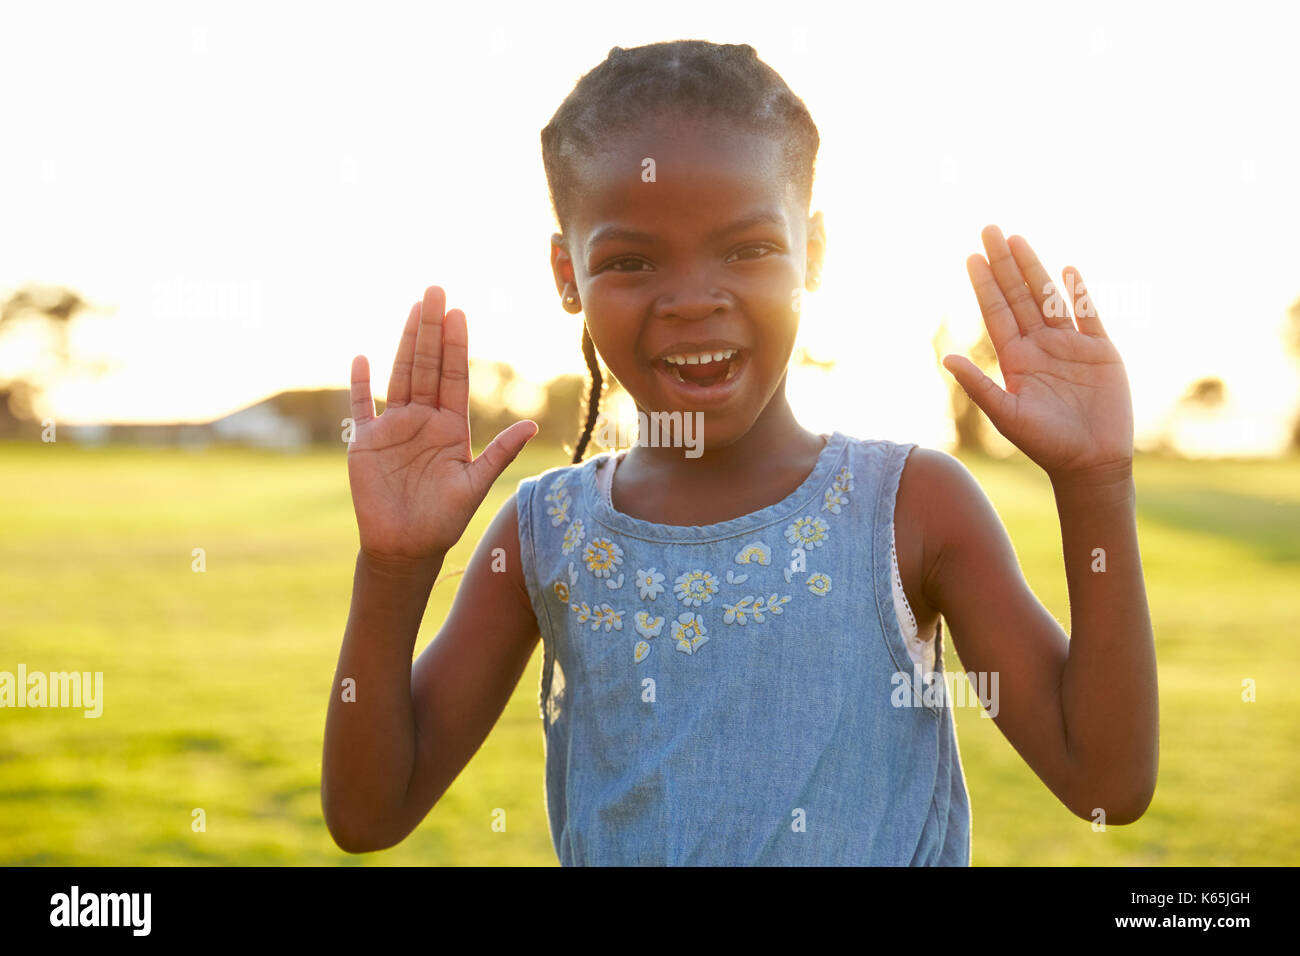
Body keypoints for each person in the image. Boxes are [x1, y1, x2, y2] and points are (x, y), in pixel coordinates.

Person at [321, 40, 1157, 865]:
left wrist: (1095, 481)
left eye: (748, 249)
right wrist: (395, 569)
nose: (693, 299)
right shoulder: (546, 534)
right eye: (630, 260)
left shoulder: (911, 508)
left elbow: (1107, 783)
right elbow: (369, 812)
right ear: (565, 274)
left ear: (814, 254)